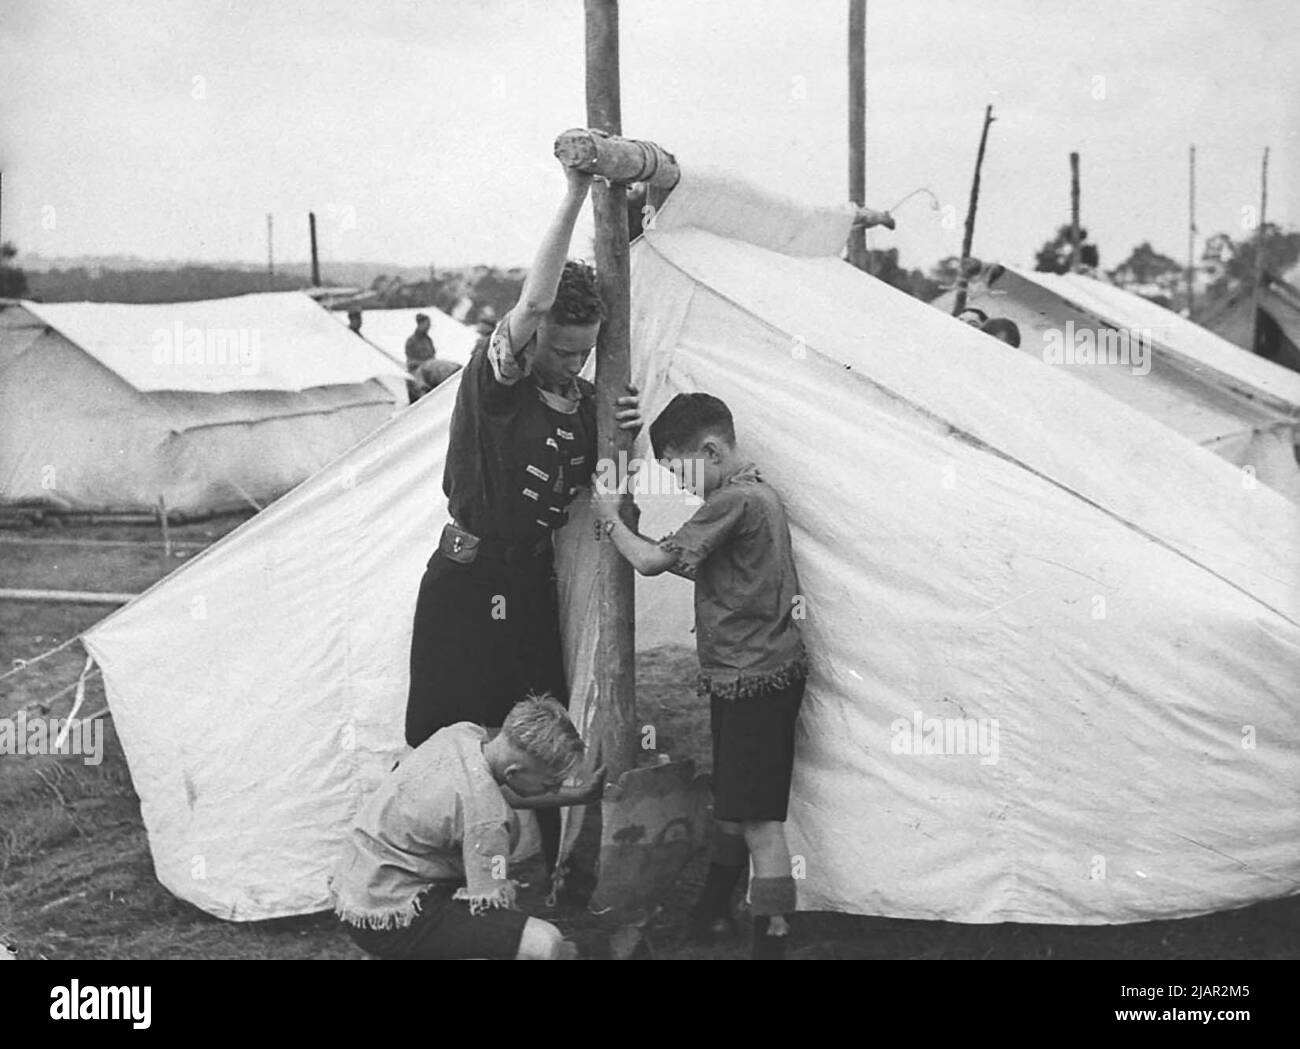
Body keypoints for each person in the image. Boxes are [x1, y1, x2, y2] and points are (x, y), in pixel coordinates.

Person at [404, 160, 642, 883]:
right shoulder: (497, 379)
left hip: (529, 578)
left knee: (540, 725)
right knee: (449, 726)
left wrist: (628, 433)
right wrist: (574, 193)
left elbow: (609, 484)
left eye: (585, 350)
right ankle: (429, 863)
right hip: (469, 580)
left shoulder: (584, 399)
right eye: (562, 348)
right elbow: (535, 301)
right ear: (532, 338)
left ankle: (546, 867)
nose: (573, 362)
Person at [593, 393, 808, 960]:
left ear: (710, 450)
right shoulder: (758, 495)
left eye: (680, 469)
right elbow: (725, 579)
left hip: (749, 676)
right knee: (737, 804)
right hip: (760, 675)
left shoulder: (733, 500)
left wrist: (610, 520)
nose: (683, 485)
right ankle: (713, 913)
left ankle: (772, 945)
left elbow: (650, 562)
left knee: (759, 820)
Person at [330, 695, 591, 959]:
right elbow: (491, 897)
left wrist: (577, 795)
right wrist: (502, 879)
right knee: (546, 943)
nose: (554, 790)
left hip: (357, 885)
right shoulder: (488, 821)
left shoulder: (461, 735)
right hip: (390, 916)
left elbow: (486, 792)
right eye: (548, 785)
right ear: (513, 771)